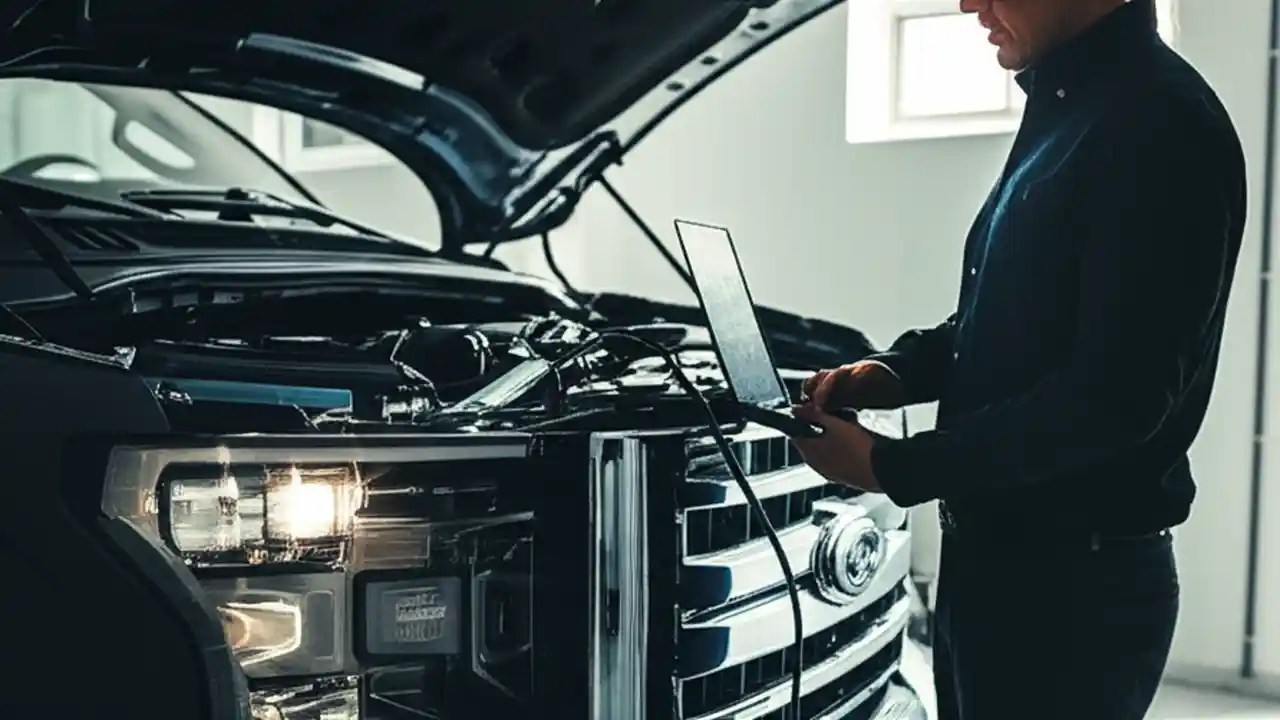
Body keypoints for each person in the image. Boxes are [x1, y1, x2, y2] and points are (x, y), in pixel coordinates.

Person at [790, 0, 1246, 718]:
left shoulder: (1161, 122)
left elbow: (1114, 401)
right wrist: (895, 374)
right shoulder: (1072, 108)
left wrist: (893, 469)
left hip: (1070, 597)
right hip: (1003, 571)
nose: (970, 3)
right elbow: (1003, 318)